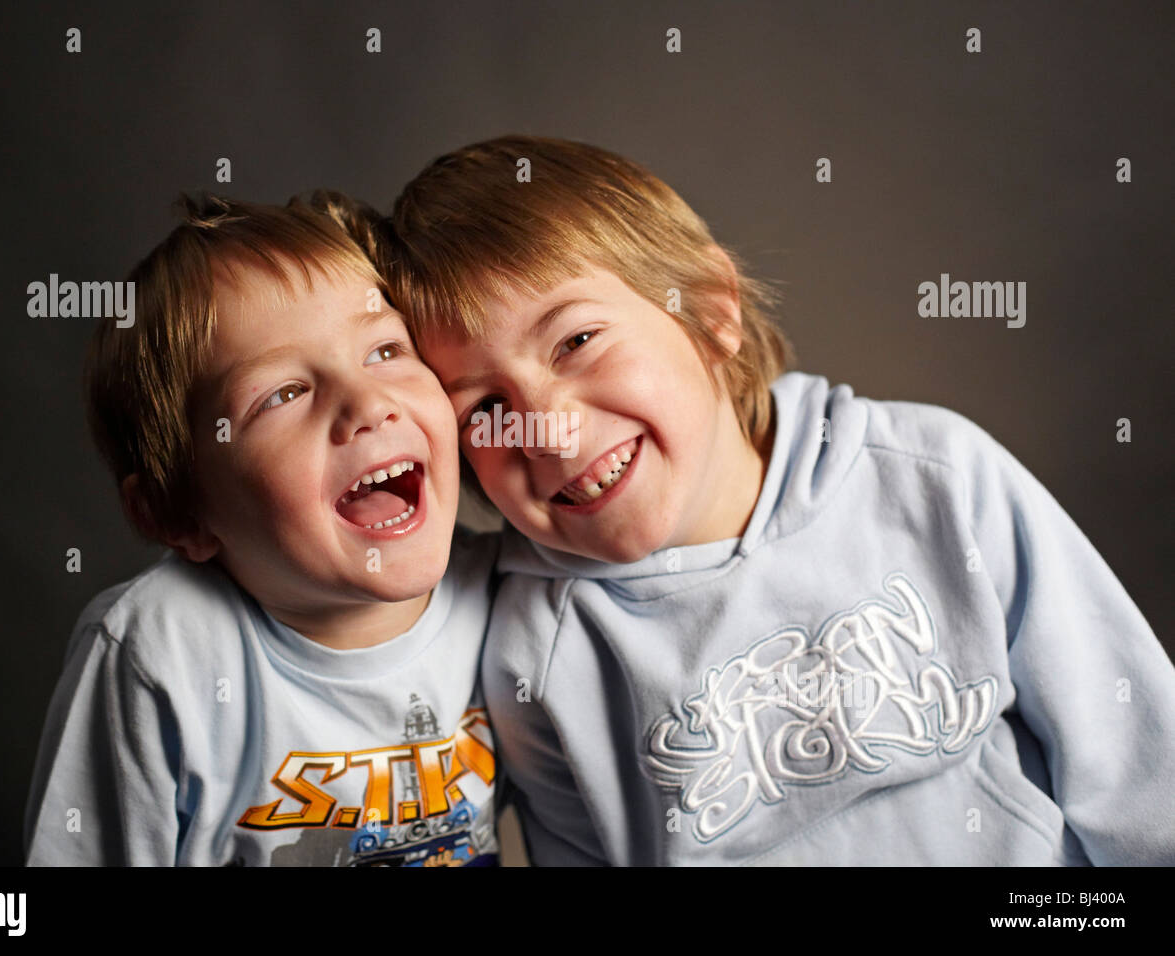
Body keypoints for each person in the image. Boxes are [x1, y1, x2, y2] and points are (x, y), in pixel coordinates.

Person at [381, 134, 1175, 865]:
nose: (547, 432)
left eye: (577, 341)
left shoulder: (931, 477)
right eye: (483, 408)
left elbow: (1140, 774)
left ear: (711, 311)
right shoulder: (535, 651)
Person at [24, 193, 500, 866]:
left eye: (386, 349)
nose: (367, 403)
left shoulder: (512, 592)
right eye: (283, 394)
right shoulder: (158, 654)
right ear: (177, 514)